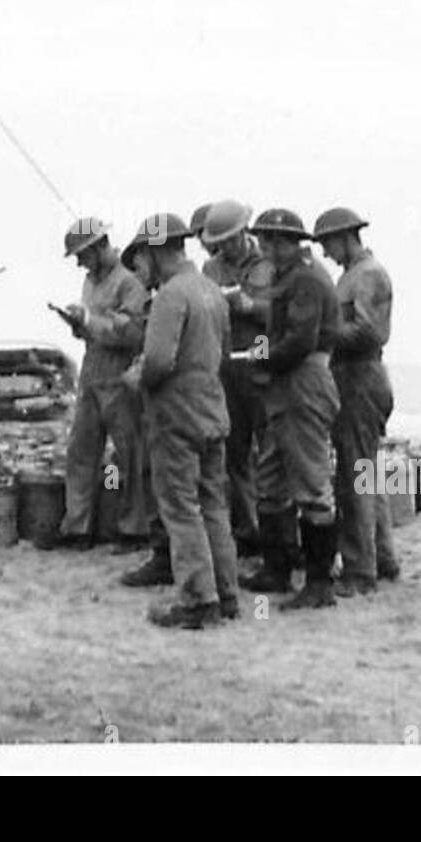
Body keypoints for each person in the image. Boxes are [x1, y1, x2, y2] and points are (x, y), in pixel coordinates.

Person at [121, 213, 238, 629]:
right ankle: (226, 594)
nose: (140, 273)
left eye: (141, 261)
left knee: (180, 508)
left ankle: (196, 599)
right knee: (213, 506)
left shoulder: (171, 296)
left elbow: (158, 361)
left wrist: (137, 378)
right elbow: (222, 358)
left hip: (175, 418)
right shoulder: (211, 291)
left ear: (155, 253)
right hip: (211, 411)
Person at [240, 208, 341, 610]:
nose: (265, 249)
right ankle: (277, 569)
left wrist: (261, 359)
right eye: (264, 241)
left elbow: (300, 340)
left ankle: (318, 584)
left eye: (270, 242)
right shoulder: (290, 277)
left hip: (305, 382)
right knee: (271, 477)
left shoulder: (307, 279)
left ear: (287, 242)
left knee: (313, 485)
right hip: (286, 386)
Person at [44, 217, 149, 550]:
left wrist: (90, 320)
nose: (79, 263)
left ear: (99, 247)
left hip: (119, 376)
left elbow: (133, 333)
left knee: (128, 454)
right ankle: (78, 526)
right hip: (92, 371)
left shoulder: (129, 284)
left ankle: (133, 527)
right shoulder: (91, 282)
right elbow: (93, 328)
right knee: (81, 451)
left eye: (83, 255)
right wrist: (78, 324)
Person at [313, 207, 397, 596]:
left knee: (355, 477)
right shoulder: (353, 276)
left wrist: (323, 332)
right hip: (354, 376)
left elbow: (370, 332)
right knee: (368, 473)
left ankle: (361, 571)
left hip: (360, 377)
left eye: (328, 242)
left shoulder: (368, 275)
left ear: (345, 237)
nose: (327, 252)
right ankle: (382, 558)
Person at [199, 199, 272, 556]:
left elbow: (285, 311)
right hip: (227, 371)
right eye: (220, 241)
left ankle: (276, 531)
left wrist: (251, 306)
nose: (226, 247)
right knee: (235, 454)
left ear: (245, 232)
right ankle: (249, 529)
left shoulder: (270, 264)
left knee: (272, 454)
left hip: (264, 369)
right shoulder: (210, 269)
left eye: (231, 239)